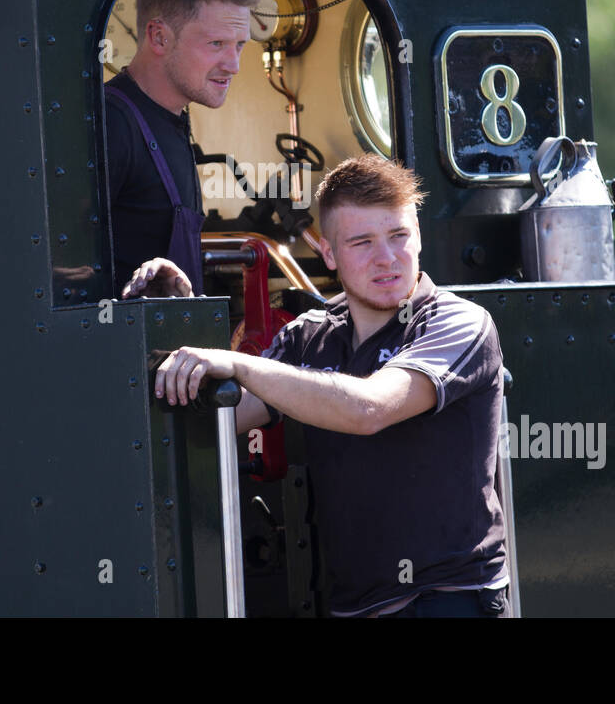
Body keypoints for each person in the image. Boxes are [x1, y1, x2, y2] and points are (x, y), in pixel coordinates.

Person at [154, 155, 508, 617]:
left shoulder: (458, 322)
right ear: (328, 254)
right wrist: (174, 318)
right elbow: (225, 418)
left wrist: (237, 362)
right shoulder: (308, 335)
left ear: (418, 236)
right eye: (362, 242)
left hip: (450, 598)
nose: (387, 258)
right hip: (353, 607)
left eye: (399, 236)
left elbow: (369, 410)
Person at [105, 0, 260, 299]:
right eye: (216, 44)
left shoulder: (173, 119)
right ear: (159, 37)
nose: (233, 64)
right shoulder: (110, 125)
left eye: (239, 45)